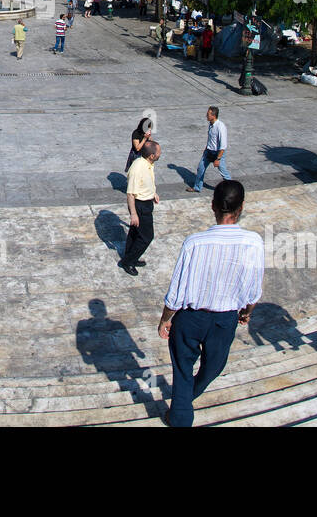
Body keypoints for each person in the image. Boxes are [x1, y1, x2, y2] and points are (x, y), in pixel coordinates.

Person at [158, 179, 264, 427]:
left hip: (190, 318)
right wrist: (247, 312)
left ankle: (183, 402)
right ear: (242, 206)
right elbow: (253, 290)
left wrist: (165, 319)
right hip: (225, 320)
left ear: (212, 205)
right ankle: (181, 415)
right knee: (213, 366)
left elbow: (177, 292)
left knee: (184, 369)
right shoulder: (253, 242)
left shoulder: (195, 242)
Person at [120, 140, 162, 276]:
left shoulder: (148, 164)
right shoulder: (137, 168)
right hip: (140, 206)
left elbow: (146, 183)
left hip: (146, 201)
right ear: (152, 156)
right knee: (147, 236)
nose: (160, 154)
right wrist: (133, 214)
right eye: (159, 152)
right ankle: (128, 261)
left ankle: (131, 256)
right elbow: (131, 193)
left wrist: (153, 193)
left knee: (135, 233)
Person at [186, 106, 229, 193]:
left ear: (213, 115)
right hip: (208, 152)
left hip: (217, 153)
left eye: (208, 114)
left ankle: (231, 187)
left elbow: (223, 145)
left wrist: (218, 159)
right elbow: (211, 139)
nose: (206, 116)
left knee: (223, 172)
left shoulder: (220, 127)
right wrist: (206, 148)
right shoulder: (211, 125)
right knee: (200, 168)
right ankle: (197, 187)